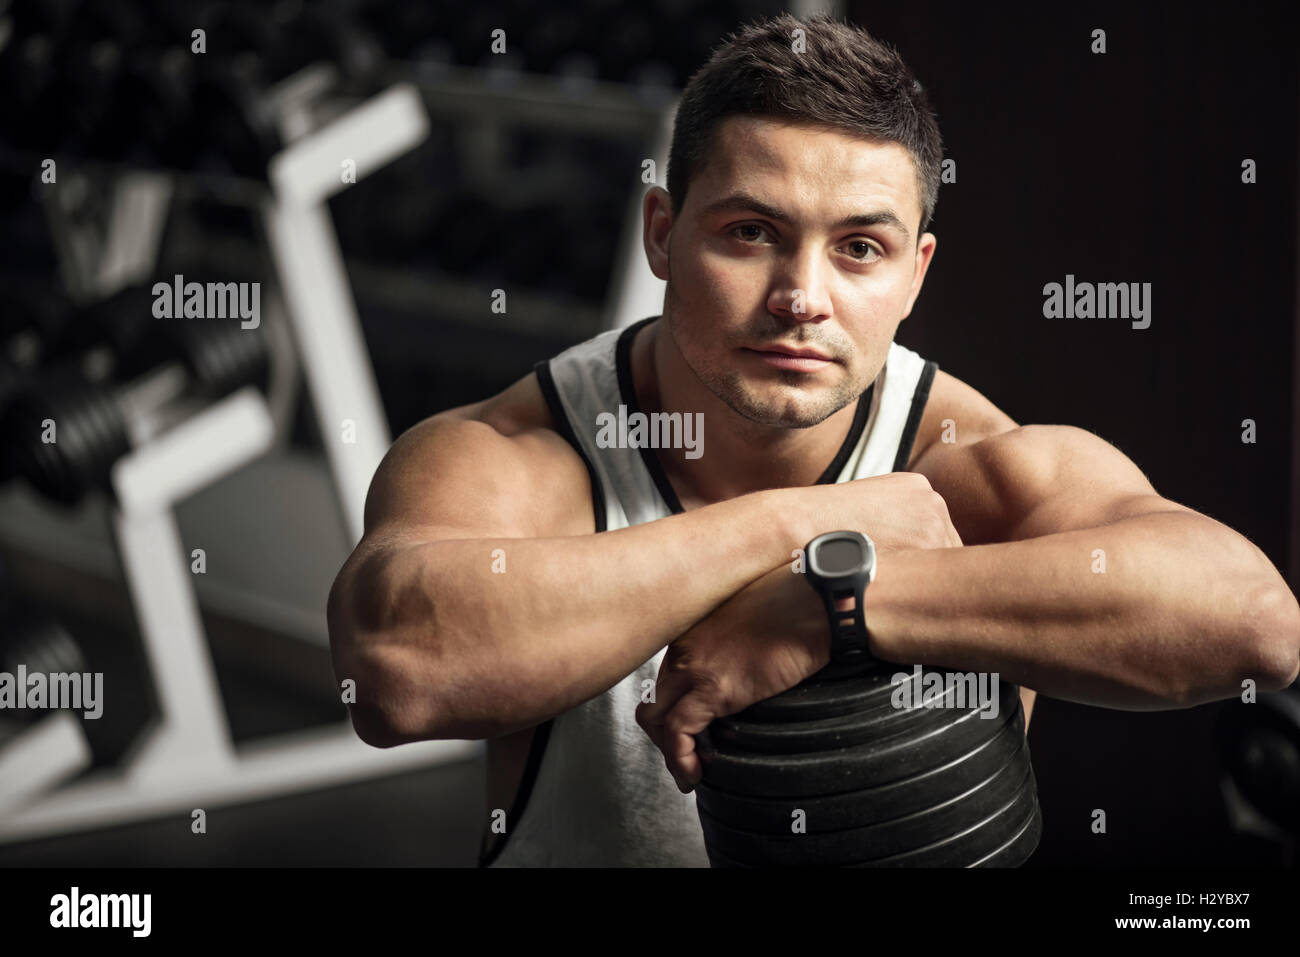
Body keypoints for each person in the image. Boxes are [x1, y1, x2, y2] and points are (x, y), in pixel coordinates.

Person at [326, 14, 1300, 867]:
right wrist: (817, 522)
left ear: (915, 273)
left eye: (858, 248)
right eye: (751, 232)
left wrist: (826, 603)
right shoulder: (530, 451)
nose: (801, 297)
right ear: (661, 233)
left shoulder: (966, 458)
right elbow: (393, 669)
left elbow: (1254, 623)